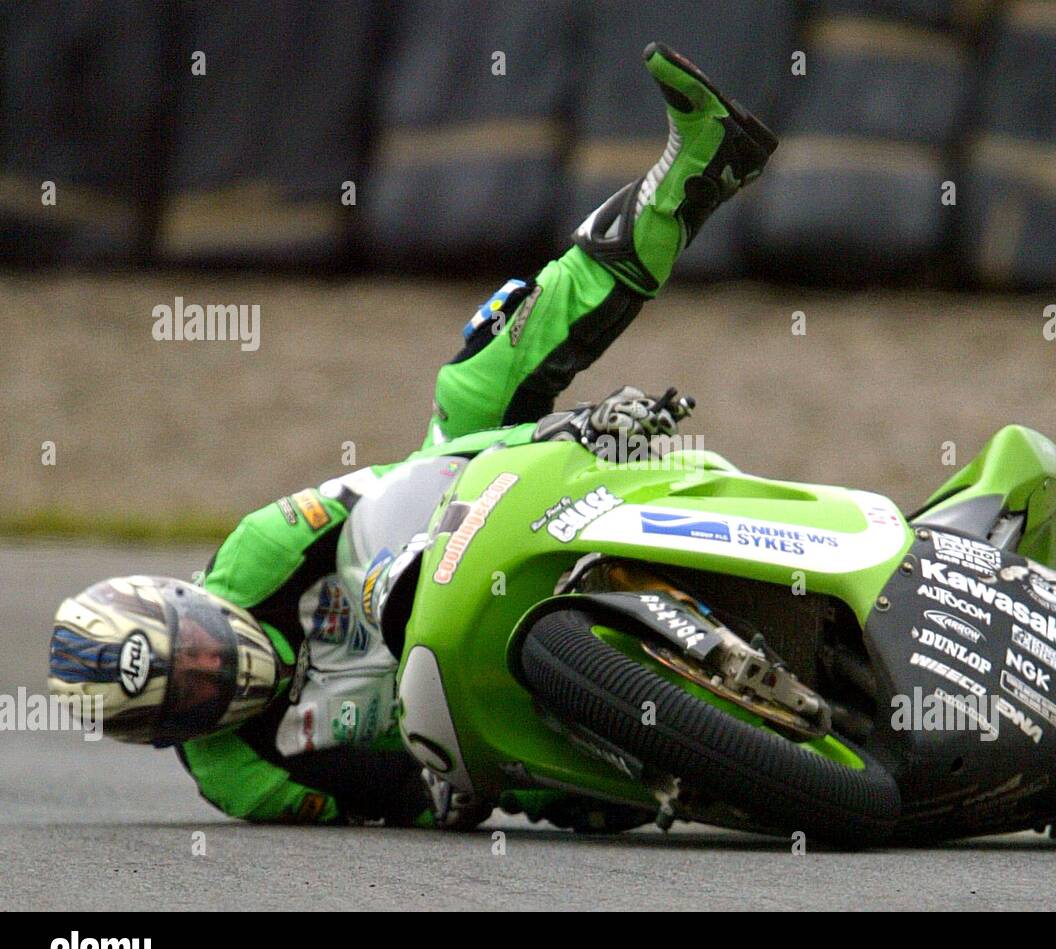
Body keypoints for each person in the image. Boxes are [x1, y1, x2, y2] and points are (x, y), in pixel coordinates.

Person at [48, 43, 777, 828]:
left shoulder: (257, 553)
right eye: (185, 697)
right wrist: (477, 785)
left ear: (189, 599)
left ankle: (698, 171)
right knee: (577, 807)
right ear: (169, 738)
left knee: (474, 377)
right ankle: (730, 776)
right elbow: (400, 806)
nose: (210, 672)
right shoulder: (244, 778)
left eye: (191, 646)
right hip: (470, 716)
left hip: (454, 535)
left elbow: (408, 480)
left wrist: (557, 433)